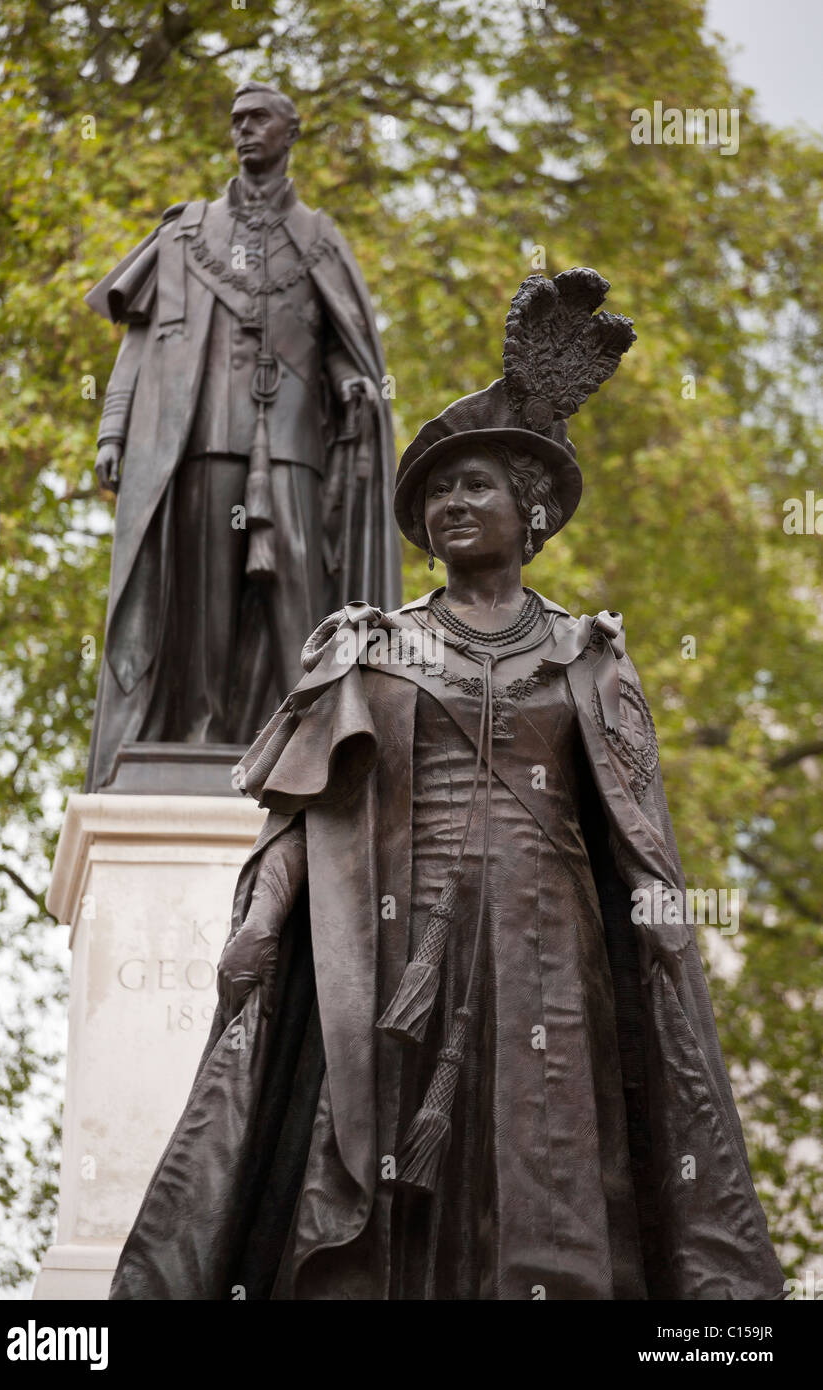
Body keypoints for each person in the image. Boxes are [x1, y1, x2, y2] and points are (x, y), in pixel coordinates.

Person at [109, 269, 785, 1300]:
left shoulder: (585, 654)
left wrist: (662, 952)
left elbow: (637, 841)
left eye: (476, 486)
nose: (450, 503)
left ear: (533, 512)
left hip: (548, 946)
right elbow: (302, 807)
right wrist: (259, 919)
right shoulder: (368, 646)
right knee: (384, 1186)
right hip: (392, 941)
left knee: (545, 1166)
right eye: (436, 490)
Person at [84, 81, 400, 791]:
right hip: (204, 444)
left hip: (294, 450)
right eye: (235, 121)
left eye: (258, 119)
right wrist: (114, 430)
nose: (242, 131)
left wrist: (355, 385)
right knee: (203, 604)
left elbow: (347, 345)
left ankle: (305, 736)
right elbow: (137, 347)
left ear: (292, 132)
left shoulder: (319, 238)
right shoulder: (186, 232)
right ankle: (199, 738)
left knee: (297, 597)